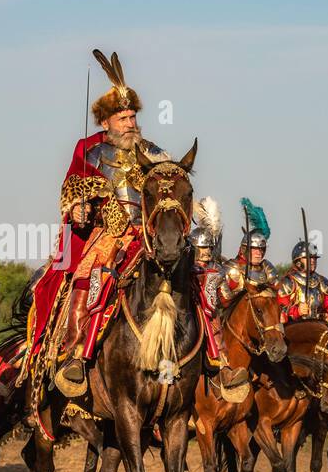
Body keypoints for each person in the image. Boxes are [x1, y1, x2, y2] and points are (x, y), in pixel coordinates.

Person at [27, 49, 169, 396]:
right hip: (108, 232)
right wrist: (77, 209)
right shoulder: (90, 150)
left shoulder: (152, 151)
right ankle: (76, 352)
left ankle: (211, 359)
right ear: (106, 122)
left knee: (194, 277)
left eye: (133, 117)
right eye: (123, 118)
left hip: (147, 234)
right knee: (89, 274)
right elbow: (73, 189)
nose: (131, 124)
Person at [190, 197, 250, 395]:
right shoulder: (186, 269)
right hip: (189, 312)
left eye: (209, 247)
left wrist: (241, 291)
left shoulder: (216, 270)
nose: (207, 251)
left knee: (217, 331)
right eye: (203, 247)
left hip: (210, 316)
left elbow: (225, 299)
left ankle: (224, 372)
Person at [280, 240, 328, 324]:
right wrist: (297, 311)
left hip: (319, 326)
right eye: (308, 258)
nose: (312, 260)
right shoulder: (288, 282)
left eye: (314, 258)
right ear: (298, 261)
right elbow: (280, 309)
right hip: (295, 327)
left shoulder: (323, 282)